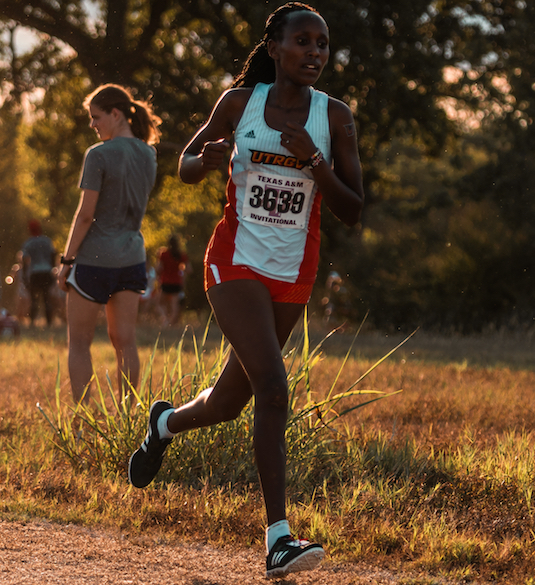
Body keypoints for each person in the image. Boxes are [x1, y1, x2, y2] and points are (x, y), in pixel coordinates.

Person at [127, 3, 364, 578]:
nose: (315, 53)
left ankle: (164, 425)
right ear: (275, 47)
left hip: (293, 273)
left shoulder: (336, 118)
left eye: (323, 45)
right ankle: (279, 539)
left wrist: (315, 162)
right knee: (275, 389)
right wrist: (205, 162)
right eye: (303, 42)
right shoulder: (241, 104)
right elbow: (183, 162)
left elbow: (352, 210)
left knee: (229, 402)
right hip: (232, 264)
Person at [55, 83, 160, 406]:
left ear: (116, 115)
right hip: (131, 259)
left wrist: (66, 260)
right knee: (125, 342)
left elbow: (85, 215)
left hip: (94, 260)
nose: (92, 124)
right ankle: (129, 416)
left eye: (96, 117)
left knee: (79, 344)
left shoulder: (98, 155)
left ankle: (83, 421)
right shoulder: (148, 154)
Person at [21, 219, 57, 328]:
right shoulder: (47, 241)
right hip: (46, 271)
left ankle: (32, 322)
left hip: (34, 272)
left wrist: (24, 276)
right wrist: (52, 269)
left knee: (34, 299)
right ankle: (49, 323)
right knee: (47, 299)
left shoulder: (28, 243)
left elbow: (24, 260)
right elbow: (53, 255)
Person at [154, 234, 190, 327]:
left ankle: (165, 320)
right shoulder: (181, 255)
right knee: (174, 306)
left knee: (160, 304)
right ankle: (171, 323)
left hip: (165, 282)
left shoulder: (164, 254)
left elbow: (158, 268)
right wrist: (181, 270)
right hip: (177, 282)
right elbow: (189, 269)